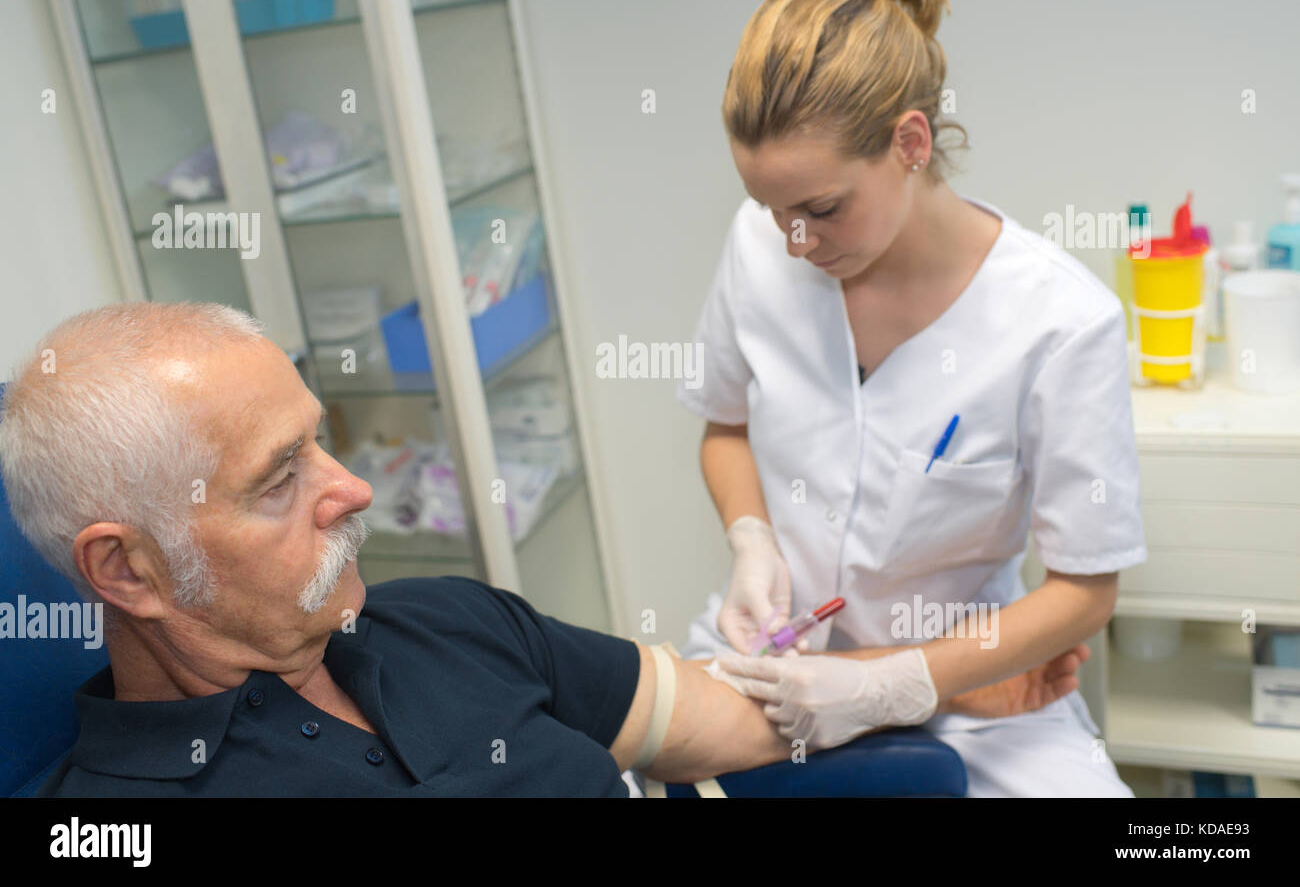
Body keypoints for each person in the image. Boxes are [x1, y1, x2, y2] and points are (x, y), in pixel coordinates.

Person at [0, 302, 1081, 796]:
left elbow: (731, 716)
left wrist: (919, 686)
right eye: (279, 478)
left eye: (320, 439)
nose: (354, 487)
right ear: (127, 569)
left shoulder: (445, 622)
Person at [677, 0, 1146, 796]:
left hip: (968, 688)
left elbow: (1085, 590)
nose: (795, 241)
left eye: (821, 209)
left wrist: (892, 686)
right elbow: (726, 427)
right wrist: (752, 540)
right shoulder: (764, 247)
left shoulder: (1060, 323)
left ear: (912, 141)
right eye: (771, 209)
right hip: (772, 666)